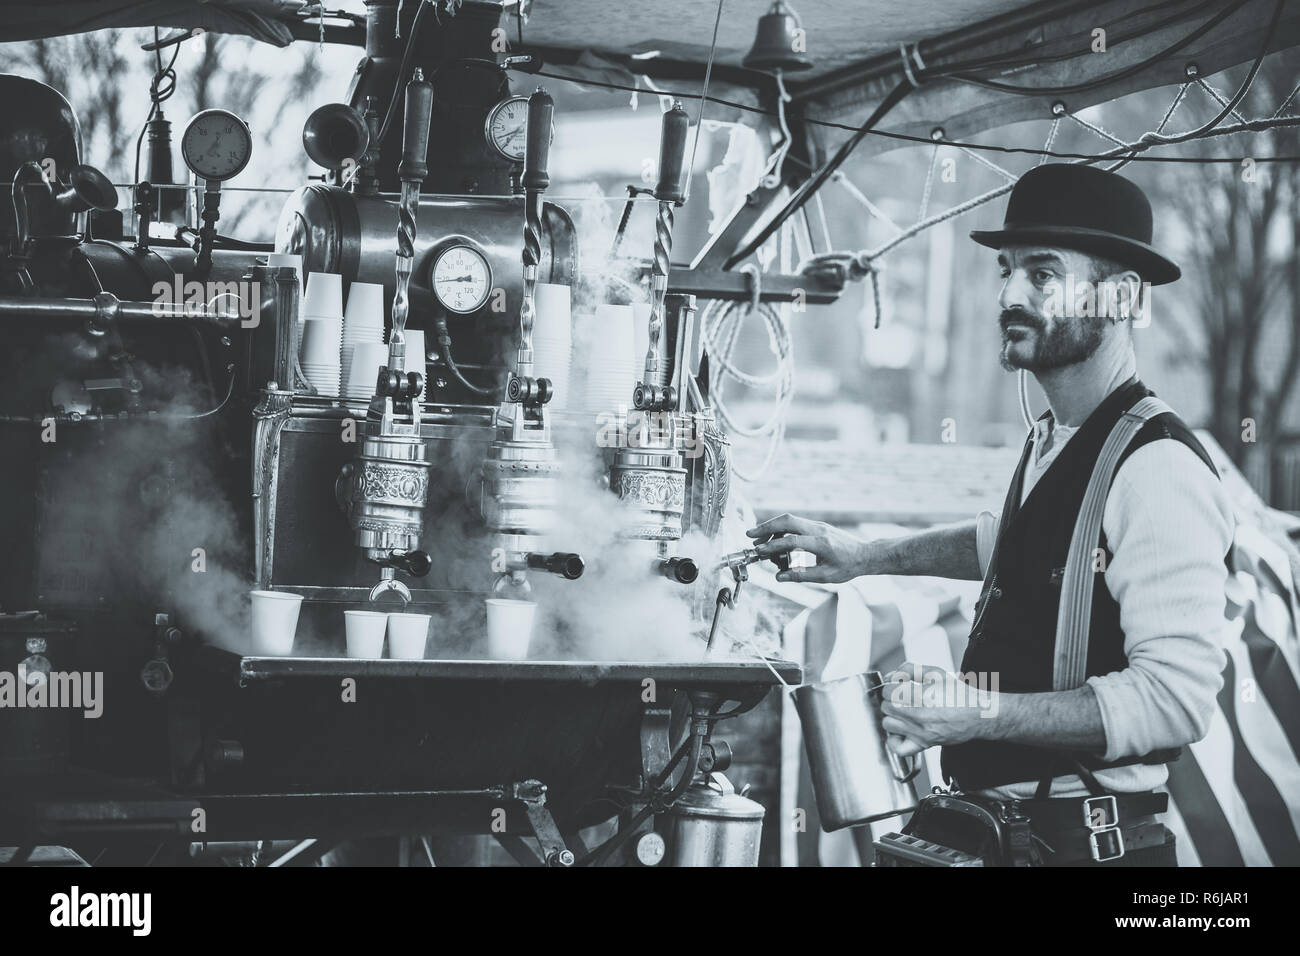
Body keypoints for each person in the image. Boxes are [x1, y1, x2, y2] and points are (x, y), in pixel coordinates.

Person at [750, 164, 1234, 866]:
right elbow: (1014, 548)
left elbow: (1175, 702)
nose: (1009, 294)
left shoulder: (1157, 466)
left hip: (1084, 851)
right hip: (1009, 837)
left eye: (1042, 275)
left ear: (1122, 295)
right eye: (1006, 271)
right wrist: (864, 556)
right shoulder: (1053, 435)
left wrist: (978, 711)